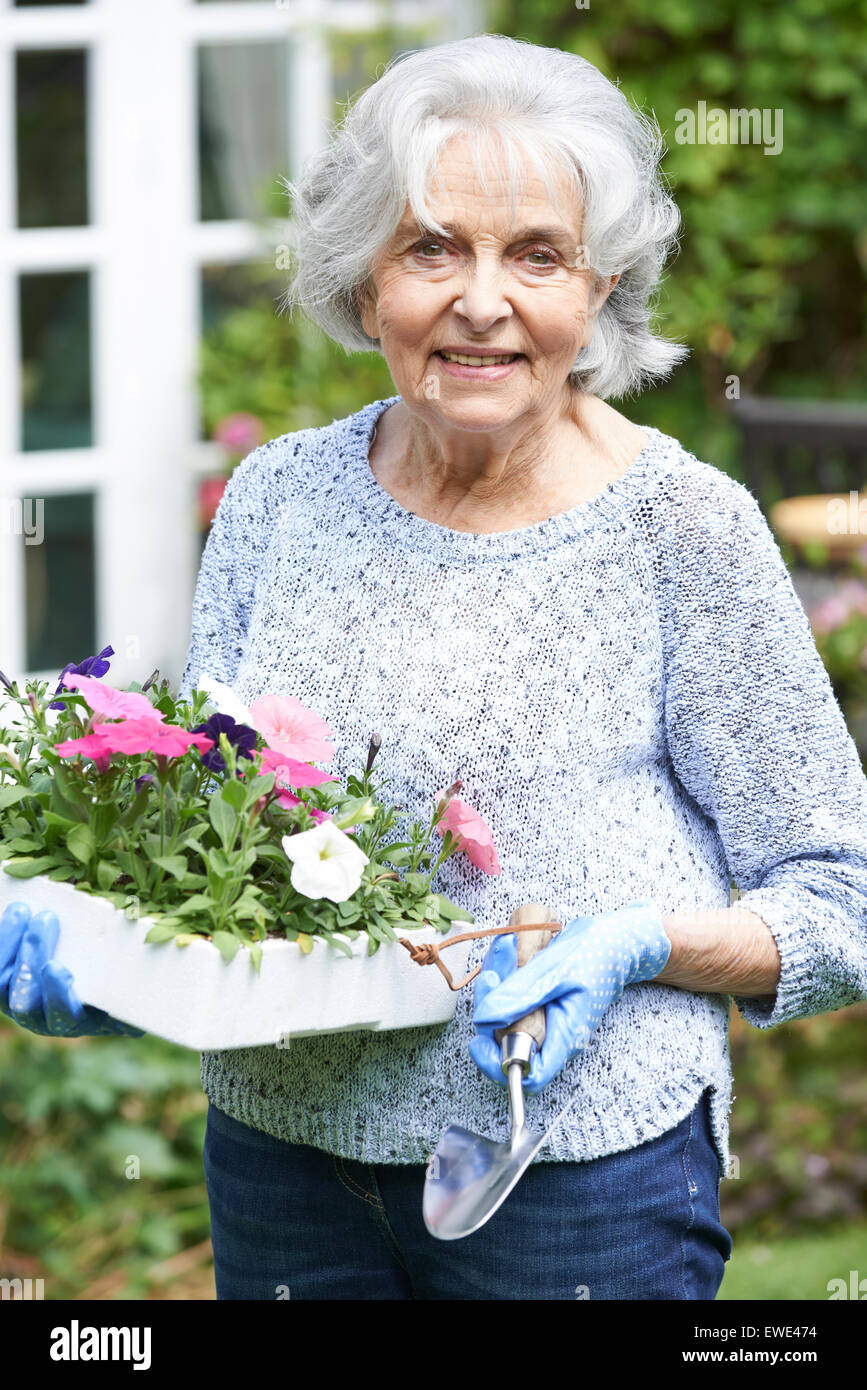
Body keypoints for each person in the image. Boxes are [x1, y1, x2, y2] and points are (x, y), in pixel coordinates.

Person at [4, 32, 867, 1301]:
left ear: (602, 288)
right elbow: (222, 826)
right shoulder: (277, 496)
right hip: (283, 1165)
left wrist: (634, 939)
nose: (481, 299)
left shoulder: (685, 530)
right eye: (429, 247)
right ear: (365, 283)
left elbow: (842, 904)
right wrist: (109, 948)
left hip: (573, 1178)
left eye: (536, 254)